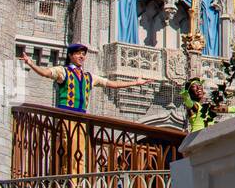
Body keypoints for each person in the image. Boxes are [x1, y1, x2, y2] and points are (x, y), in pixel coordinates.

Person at [21, 44, 154, 177]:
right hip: (66, 116)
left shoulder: (89, 77)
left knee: (79, 151)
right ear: (70, 55)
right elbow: (45, 73)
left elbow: (111, 84)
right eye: (78, 53)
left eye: (83, 54)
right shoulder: (63, 71)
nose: (81, 56)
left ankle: (76, 181)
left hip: (81, 118)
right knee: (69, 148)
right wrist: (31, 63)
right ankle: (69, 180)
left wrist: (135, 83)